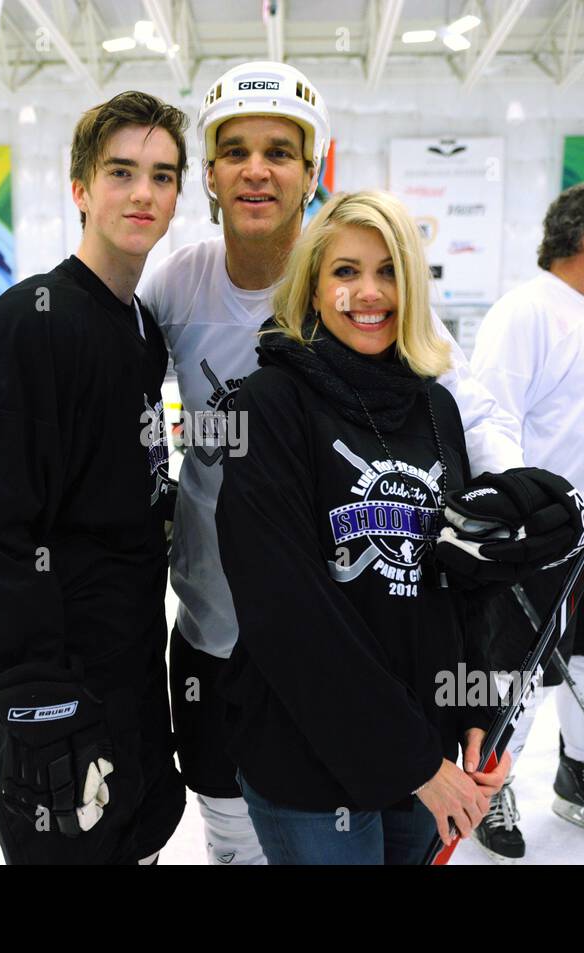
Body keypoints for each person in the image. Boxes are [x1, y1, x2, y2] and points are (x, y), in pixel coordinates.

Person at [138, 60, 526, 865]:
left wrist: (517, 502)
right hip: (219, 629)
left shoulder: (359, 283)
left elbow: (463, 410)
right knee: (233, 833)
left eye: (281, 151)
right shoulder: (176, 284)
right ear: (208, 174)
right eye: (235, 150)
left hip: (354, 639)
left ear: (313, 170)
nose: (257, 169)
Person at [214, 191, 512, 864]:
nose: (369, 292)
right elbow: (285, 609)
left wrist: (477, 711)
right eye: (346, 272)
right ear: (314, 287)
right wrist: (415, 761)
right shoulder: (269, 404)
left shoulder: (437, 405)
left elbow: (460, 580)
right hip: (310, 755)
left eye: (388, 272)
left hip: (425, 749)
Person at [0, 91, 187, 865]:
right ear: (80, 189)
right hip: (61, 701)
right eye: (121, 172)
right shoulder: (33, 322)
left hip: (131, 675)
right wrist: (40, 704)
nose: (143, 191)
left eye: (163, 175)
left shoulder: (140, 330)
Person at [469, 182, 584, 861]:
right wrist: (520, 521)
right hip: (550, 542)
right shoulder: (526, 310)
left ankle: (583, 772)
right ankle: (491, 782)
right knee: (521, 675)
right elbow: (492, 416)